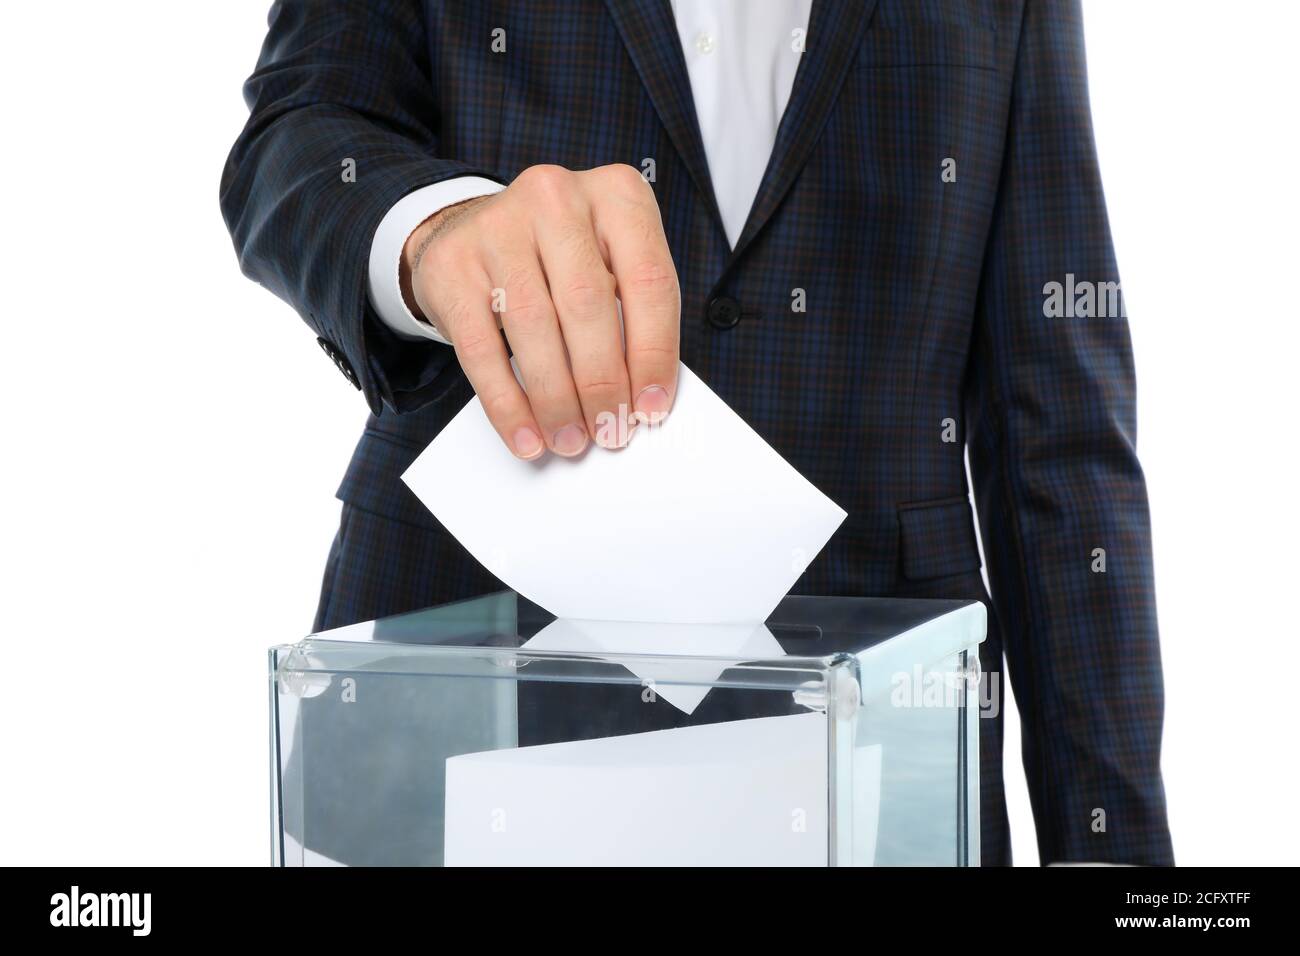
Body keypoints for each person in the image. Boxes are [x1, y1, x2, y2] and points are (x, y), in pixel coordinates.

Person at [220, 0, 1172, 866]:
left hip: (881, 720)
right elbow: (297, 134)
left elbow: (1056, 428)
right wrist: (437, 234)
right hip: (454, 665)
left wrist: (1114, 848)